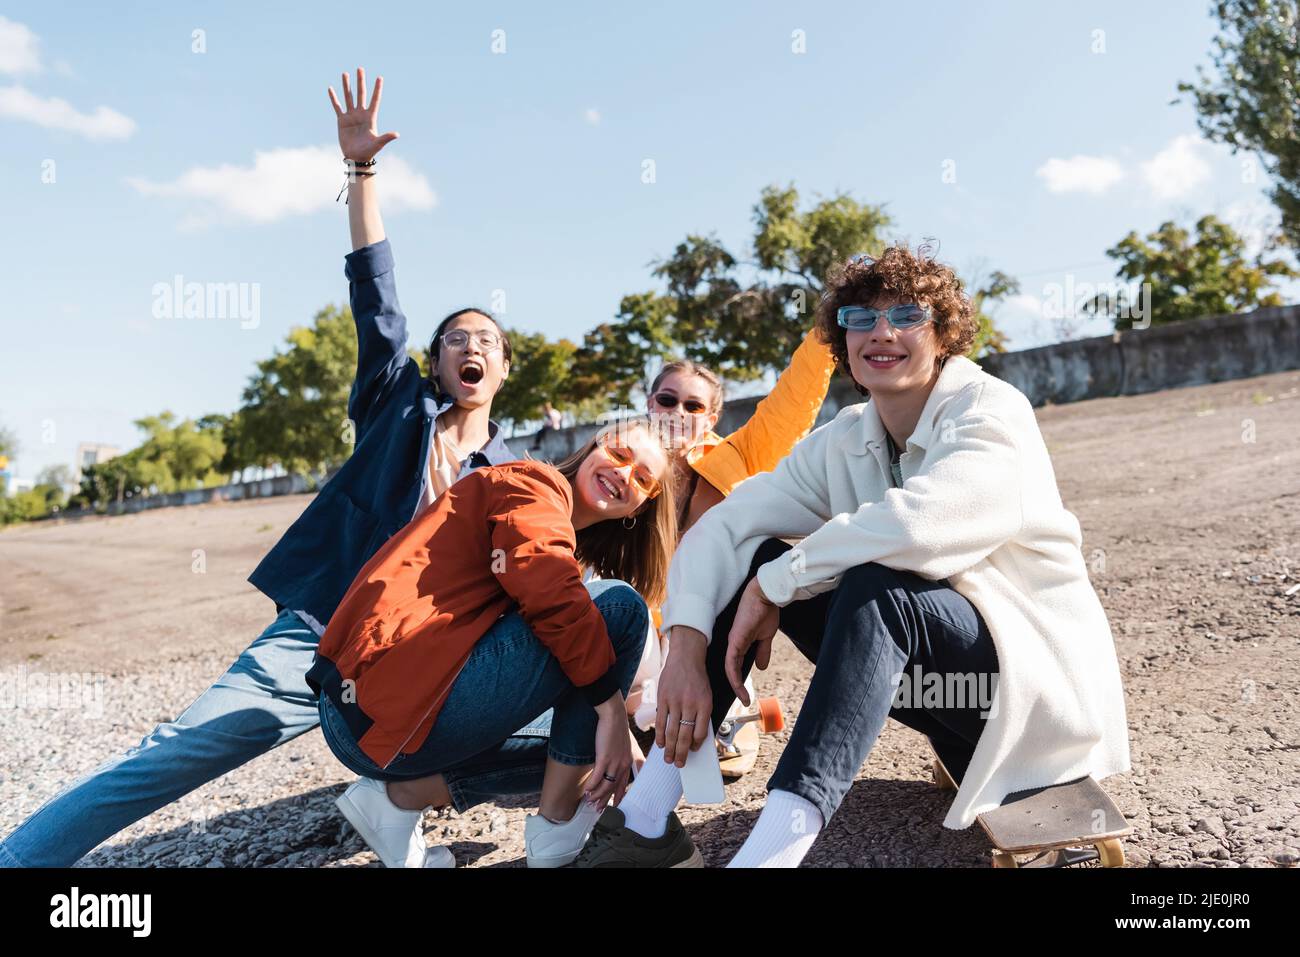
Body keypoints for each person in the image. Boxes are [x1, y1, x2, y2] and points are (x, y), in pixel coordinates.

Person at [0, 67, 518, 868]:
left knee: (549, 712)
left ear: (505, 368)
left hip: (420, 659)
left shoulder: (509, 469)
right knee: (180, 748)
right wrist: (361, 171)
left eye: (487, 339)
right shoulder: (395, 403)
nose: (472, 346)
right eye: (458, 337)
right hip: (317, 638)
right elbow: (374, 286)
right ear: (436, 360)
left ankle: (395, 809)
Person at [573, 243, 1131, 868]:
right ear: (843, 341)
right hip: (937, 689)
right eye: (860, 319)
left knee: (873, 584)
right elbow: (726, 526)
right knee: (753, 554)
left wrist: (778, 583)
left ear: (943, 333)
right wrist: (684, 641)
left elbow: (923, 522)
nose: (881, 333)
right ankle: (644, 821)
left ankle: (767, 860)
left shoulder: (990, 409)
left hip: (1029, 690)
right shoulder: (845, 438)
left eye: (907, 315)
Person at [312, 419, 678, 867]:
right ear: (594, 447)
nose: (624, 474)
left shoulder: (562, 529)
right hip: (383, 704)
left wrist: (615, 733)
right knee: (618, 610)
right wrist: (613, 712)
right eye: (620, 454)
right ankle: (558, 833)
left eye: (642, 477)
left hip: (378, 719)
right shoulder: (532, 484)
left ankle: (395, 802)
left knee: (577, 745)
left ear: (643, 505)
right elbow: (547, 590)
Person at [624, 329, 838, 771]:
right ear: (649, 404)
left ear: (712, 416)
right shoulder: (623, 466)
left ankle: (730, 711)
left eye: (693, 405)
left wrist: (826, 332)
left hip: (711, 627)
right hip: (644, 632)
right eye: (667, 400)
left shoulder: (740, 457)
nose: (677, 412)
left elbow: (790, 404)